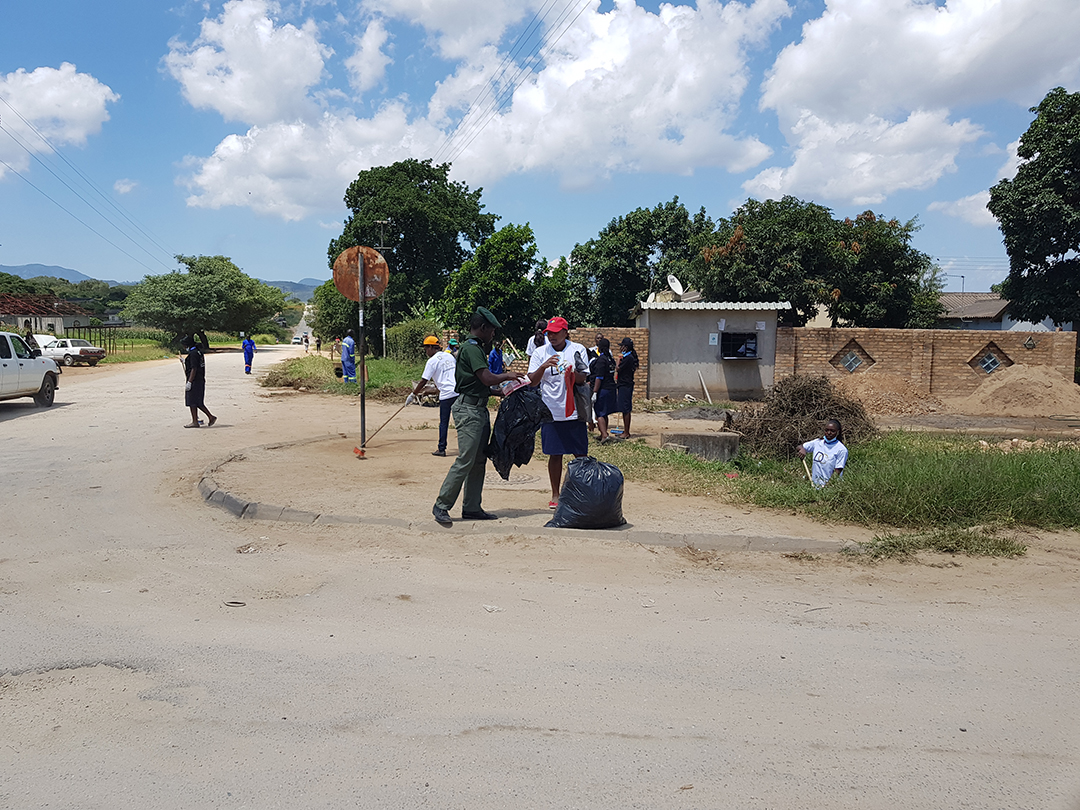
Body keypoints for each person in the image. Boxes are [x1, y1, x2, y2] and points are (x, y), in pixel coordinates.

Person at [432, 309, 520, 526]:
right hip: (469, 411)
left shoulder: (476, 349)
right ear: (482, 328)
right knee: (466, 459)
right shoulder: (472, 349)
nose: (493, 335)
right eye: (491, 330)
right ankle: (441, 505)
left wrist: (499, 392)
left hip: (478, 408)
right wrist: (508, 375)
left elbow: (477, 384)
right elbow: (486, 377)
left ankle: (471, 507)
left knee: (478, 460)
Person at [527, 316, 589, 509]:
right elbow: (533, 381)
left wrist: (572, 373)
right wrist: (544, 366)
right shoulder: (540, 352)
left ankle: (583, 491)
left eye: (556, 333)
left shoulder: (577, 349)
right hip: (550, 410)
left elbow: (582, 379)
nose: (552, 337)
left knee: (580, 454)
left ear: (565, 332)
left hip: (574, 410)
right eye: (549, 333)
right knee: (555, 454)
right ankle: (556, 493)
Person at [408, 336, 458, 457]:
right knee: (461, 422)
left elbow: (423, 381)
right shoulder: (449, 356)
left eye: (426, 349)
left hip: (446, 395)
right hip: (457, 392)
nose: (426, 352)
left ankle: (441, 449)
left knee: (444, 422)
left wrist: (413, 394)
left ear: (431, 347)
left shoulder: (432, 361)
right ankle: (467, 448)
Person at [797, 419, 848, 488]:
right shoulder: (817, 443)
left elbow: (838, 471)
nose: (829, 433)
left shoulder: (841, 450)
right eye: (826, 430)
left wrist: (827, 486)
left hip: (832, 487)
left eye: (832, 431)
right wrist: (802, 449)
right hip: (815, 486)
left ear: (838, 432)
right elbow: (800, 446)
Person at [181, 335, 216, 428]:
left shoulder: (193, 354)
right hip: (200, 379)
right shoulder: (198, 352)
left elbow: (194, 368)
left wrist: (190, 382)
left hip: (195, 380)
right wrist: (185, 362)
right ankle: (195, 421)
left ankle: (210, 416)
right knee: (194, 401)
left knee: (195, 401)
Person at [590, 338, 618, 442]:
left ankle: (604, 435)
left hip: (603, 389)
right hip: (611, 389)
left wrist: (595, 392)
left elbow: (599, 377)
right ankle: (603, 433)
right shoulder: (610, 359)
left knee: (599, 413)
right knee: (605, 412)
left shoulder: (601, 360)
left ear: (599, 348)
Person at [615, 337, 639, 439]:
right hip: (623, 384)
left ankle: (626, 432)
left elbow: (618, 369)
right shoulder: (627, 357)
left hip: (625, 385)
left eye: (622, 346)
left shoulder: (628, 358)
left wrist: (617, 361)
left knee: (625, 408)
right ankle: (625, 431)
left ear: (626, 347)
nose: (621, 348)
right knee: (624, 408)